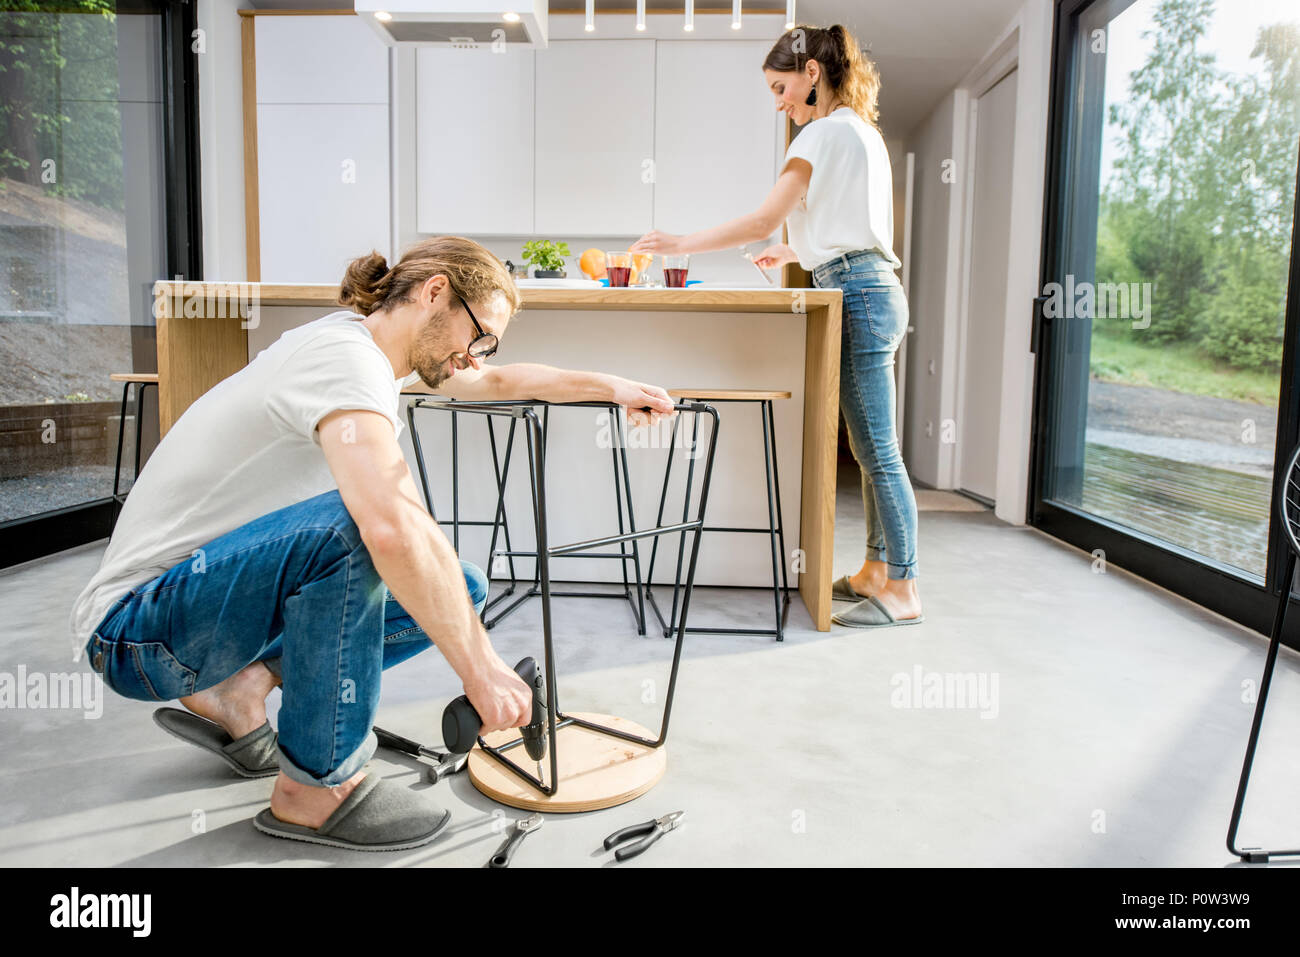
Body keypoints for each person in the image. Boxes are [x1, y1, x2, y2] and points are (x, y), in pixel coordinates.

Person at [69, 236, 677, 850]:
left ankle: (238, 688)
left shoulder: (372, 352)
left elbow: (495, 381)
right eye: (479, 335)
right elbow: (387, 526)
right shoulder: (344, 360)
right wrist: (483, 670)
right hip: (136, 631)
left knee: (459, 587)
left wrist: (611, 386)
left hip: (199, 614)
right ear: (436, 291)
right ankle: (314, 791)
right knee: (360, 527)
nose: (476, 355)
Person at [632, 23, 922, 630]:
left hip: (859, 295)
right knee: (869, 449)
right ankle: (875, 570)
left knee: (878, 452)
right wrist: (798, 255)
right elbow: (855, 231)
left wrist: (681, 241)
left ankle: (903, 587)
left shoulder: (819, 133)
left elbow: (766, 217)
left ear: (811, 73)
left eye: (780, 85)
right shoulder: (862, 133)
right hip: (869, 287)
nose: (779, 101)